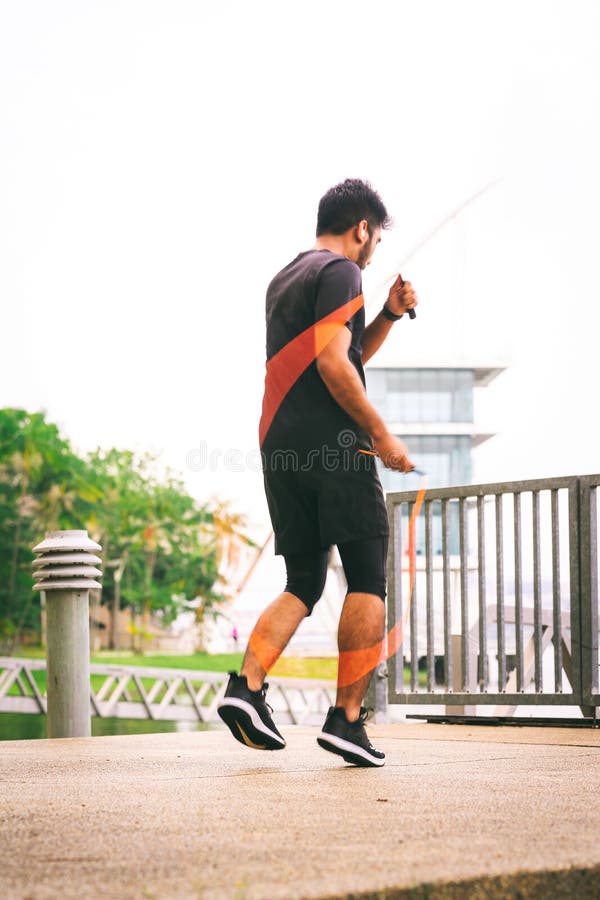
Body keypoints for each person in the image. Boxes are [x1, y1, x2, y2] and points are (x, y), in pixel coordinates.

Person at [218, 178, 418, 767]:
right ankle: (346, 721)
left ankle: (247, 688)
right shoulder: (342, 271)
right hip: (334, 446)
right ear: (362, 228)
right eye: (374, 239)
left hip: (280, 445)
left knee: (303, 581)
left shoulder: (286, 278)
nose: (373, 251)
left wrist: (386, 314)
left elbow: (342, 354)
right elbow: (335, 365)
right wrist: (379, 434)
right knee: (366, 577)